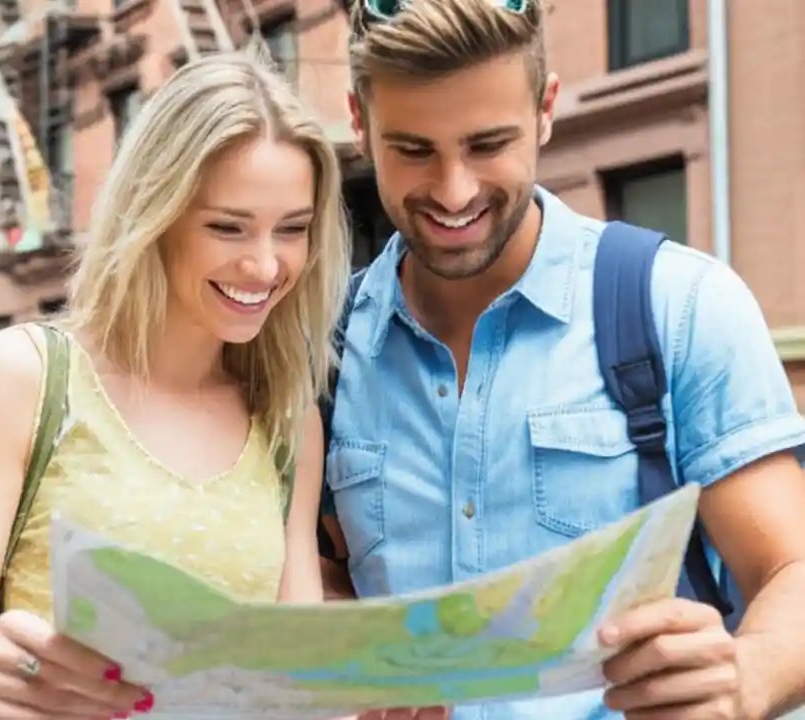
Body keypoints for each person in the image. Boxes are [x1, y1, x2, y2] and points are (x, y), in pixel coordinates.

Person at [320, 0, 805, 719]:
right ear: (359, 123)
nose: (454, 191)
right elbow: (318, 578)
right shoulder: (323, 349)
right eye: (414, 150)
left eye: (488, 144)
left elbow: (791, 567)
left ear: (545, 109)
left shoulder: (678, 305)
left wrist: (748, 676)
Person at [0, 50, 377, 720]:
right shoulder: (24, 377)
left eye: (292, 230)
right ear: (156, 214)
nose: (266, 265)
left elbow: (290, 691)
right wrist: (7, 675)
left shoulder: (289, 421)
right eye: (227, 227)